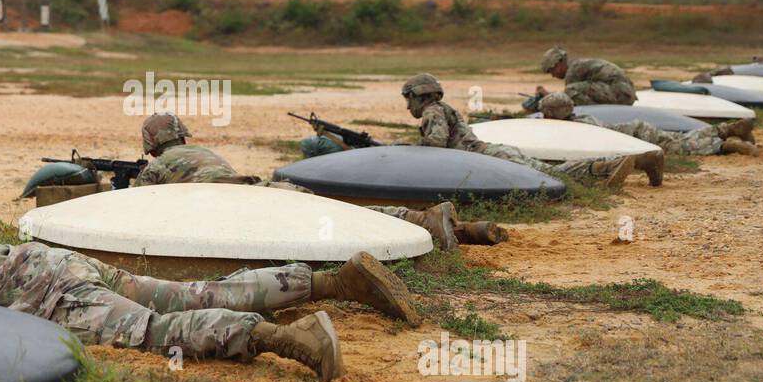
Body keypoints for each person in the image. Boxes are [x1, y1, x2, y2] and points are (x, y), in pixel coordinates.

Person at [0, 162, 427, 382]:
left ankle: (287, 340)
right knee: (192, 292)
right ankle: (333, 281)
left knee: (157, 331)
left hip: (48, 299)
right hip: (54, 266)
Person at [132, 112, 504, 251]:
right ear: (181, 134)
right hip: (259, 189)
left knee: (329, 228)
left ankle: (435, 226)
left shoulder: (160, 166)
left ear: (152, 143)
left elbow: (132, 207)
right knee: (339, 212)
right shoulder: (201, 152)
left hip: (241, 206)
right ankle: (430, 221)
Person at [400, 74, 658, 186]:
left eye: (408, 98)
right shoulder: (443, 107)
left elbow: (436, 146)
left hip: (489, 158)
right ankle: (624, 163)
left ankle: (606, 167)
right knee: (551, 172)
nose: (407, 105)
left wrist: (405, 150)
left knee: (554, 176)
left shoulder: (432, 111)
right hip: (494, 153)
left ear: (417, 95)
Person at [536, 92, 759, 156]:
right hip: (635, 129)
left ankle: (723, 146)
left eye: (546, 113)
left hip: (636, 137)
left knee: (680, 147)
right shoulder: (579, 119)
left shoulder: (574, 129)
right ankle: (728, 129)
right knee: (680, 139)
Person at [538, 47, 636, 105]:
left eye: (552, 70)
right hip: (624, 92)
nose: (553, 75)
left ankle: (594, 111)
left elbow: (567, 101)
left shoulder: (573, 71)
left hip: (621, 92)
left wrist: (548, 97)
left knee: (570, 90)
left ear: (559, 64)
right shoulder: (577, 65)